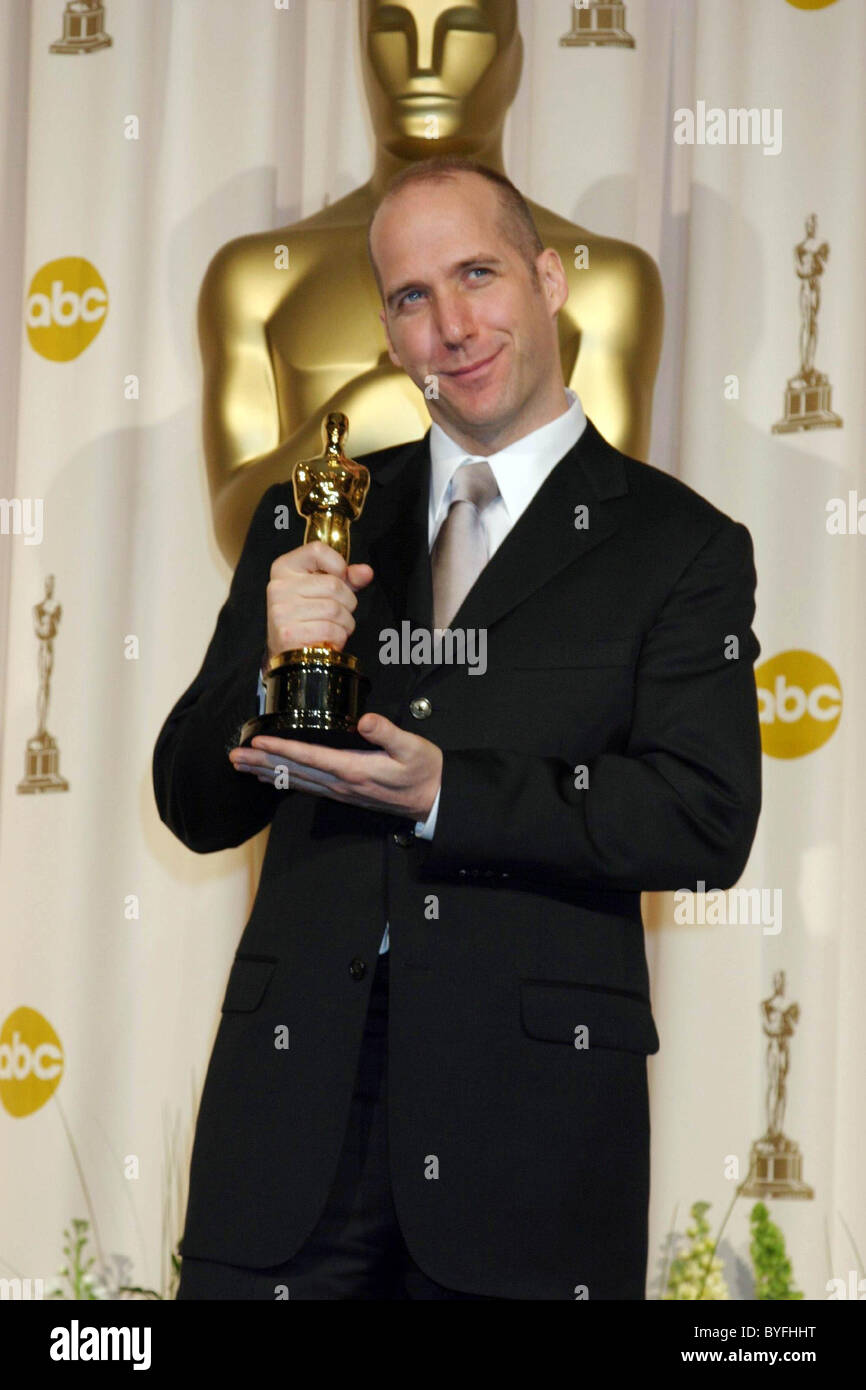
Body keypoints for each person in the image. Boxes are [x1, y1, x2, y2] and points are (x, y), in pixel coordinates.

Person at [153, 157, 762, 1300]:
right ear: (386, 329)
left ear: (546, 279)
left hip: (525, 1139)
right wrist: (268, 671)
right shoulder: (308, 513)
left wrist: (447, 792)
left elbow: (701, 814)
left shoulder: (677, 546)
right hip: (289, 1123)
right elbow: (189, 801)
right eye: (409, 296)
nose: (450, 325)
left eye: (476, 274)